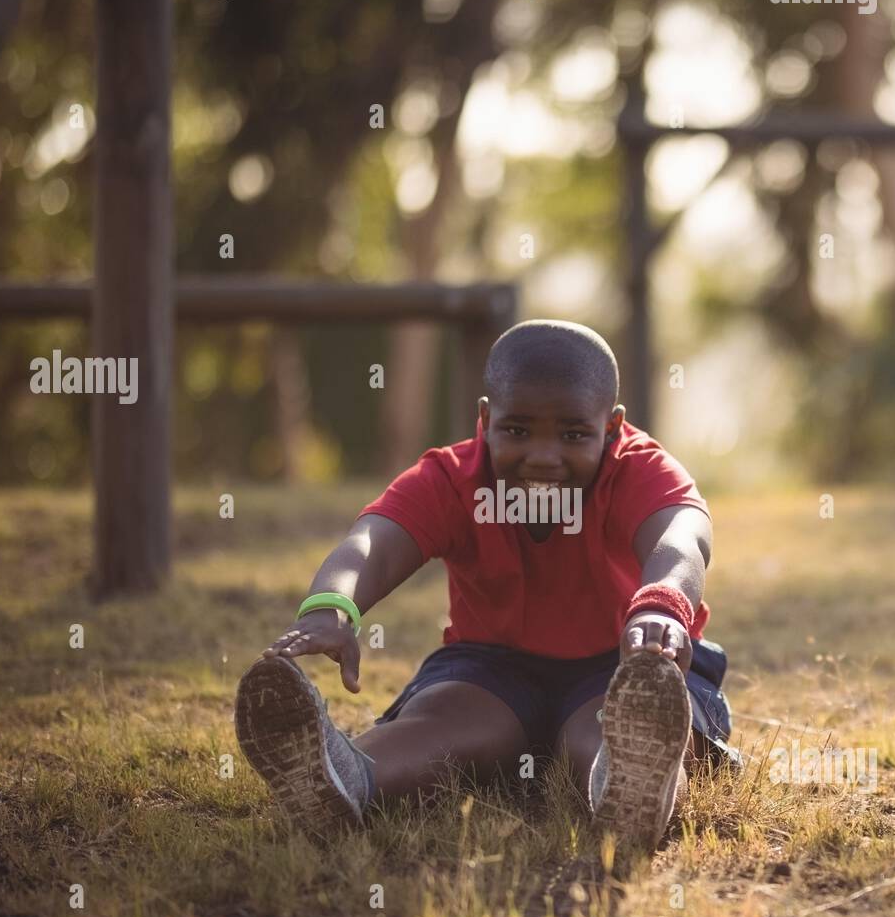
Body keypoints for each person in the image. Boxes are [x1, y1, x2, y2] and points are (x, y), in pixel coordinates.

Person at [235, 319, 738, 851]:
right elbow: (373, 546)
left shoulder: (641, 469)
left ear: (612, 428)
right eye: (517, 430)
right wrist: (332, 607)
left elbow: (682, 540)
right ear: (484, 419)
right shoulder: (452, 478)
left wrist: (661, 606)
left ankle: (628, 783)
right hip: (492, 670)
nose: (543, 456)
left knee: (604, 731)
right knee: (442, 721)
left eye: (573, 434)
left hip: (627, 658)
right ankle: (345, 775)